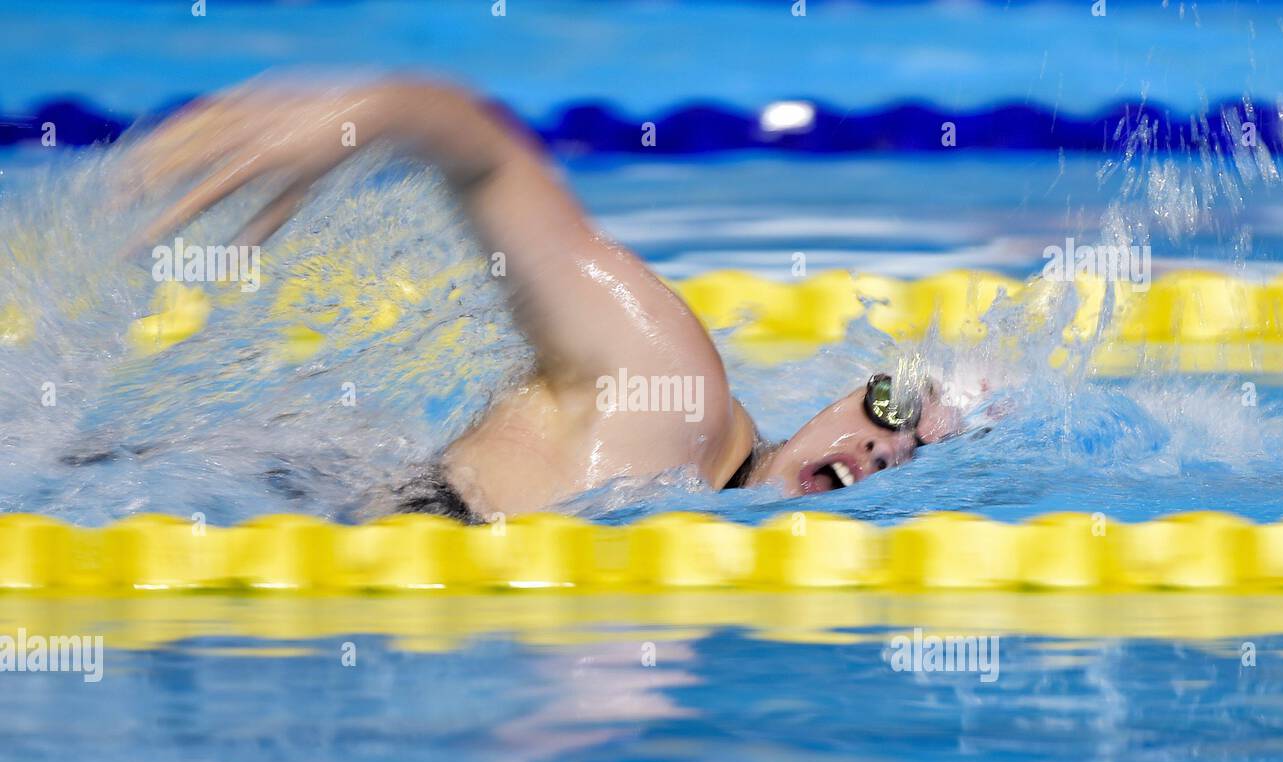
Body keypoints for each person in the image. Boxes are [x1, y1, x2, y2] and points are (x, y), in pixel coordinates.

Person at [122, 77, 964, 521]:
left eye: (918, 456)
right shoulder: (672, 391)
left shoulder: (706, 506)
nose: (886, 448)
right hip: (180, 495)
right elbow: (487, 154)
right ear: (839, 398)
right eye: (891, 406)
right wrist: (362, 113)